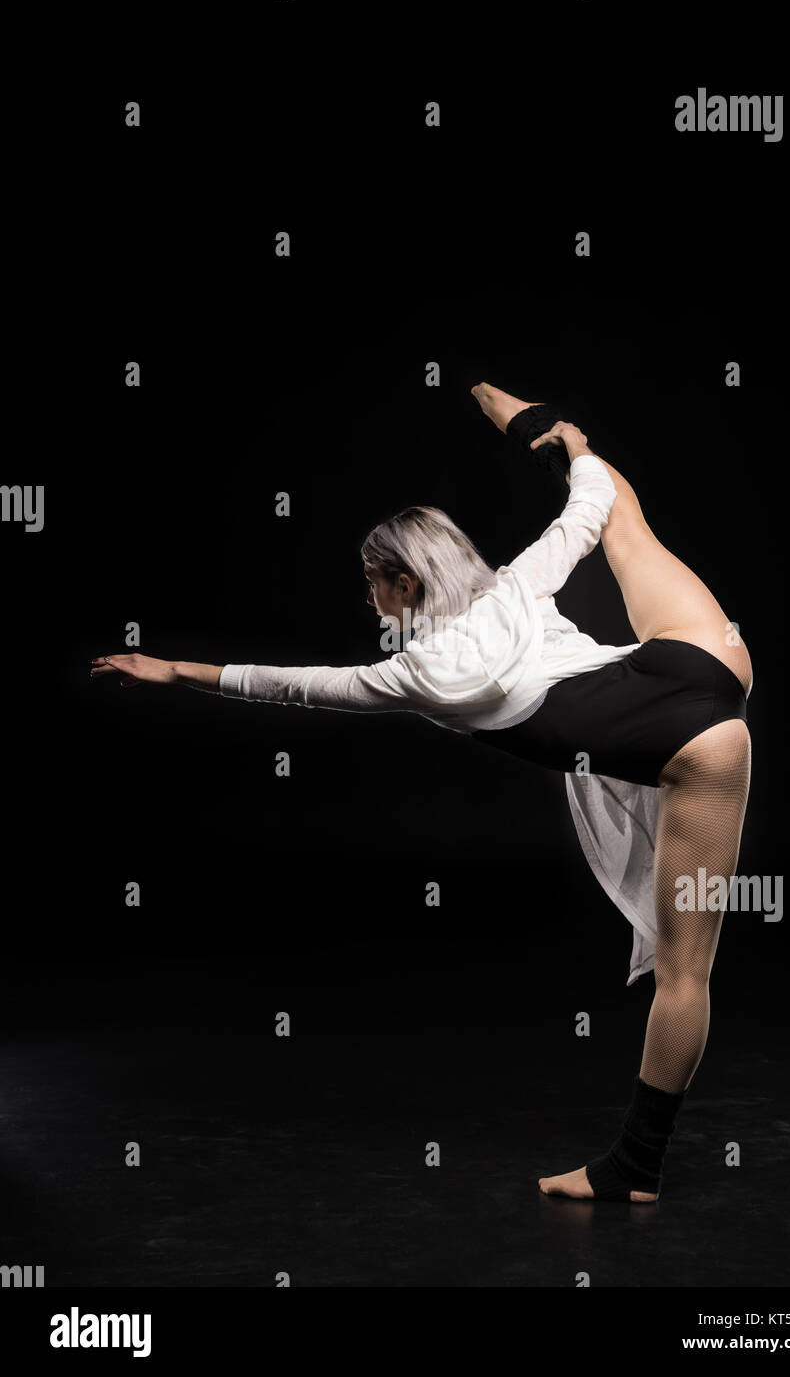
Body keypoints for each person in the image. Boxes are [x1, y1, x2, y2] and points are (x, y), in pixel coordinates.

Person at [91, 382, 753, 1203]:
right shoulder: (515, 587)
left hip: (707, 750)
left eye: (370, 583)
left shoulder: (413, 675)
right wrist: (576, 455)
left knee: (685, 978)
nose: (367, 599)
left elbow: (287, 686)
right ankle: (543, 422)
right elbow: (586, 512)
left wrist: (172, 671)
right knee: (618, 515)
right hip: (703, 653)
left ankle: (635, 1169)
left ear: (401, 583)